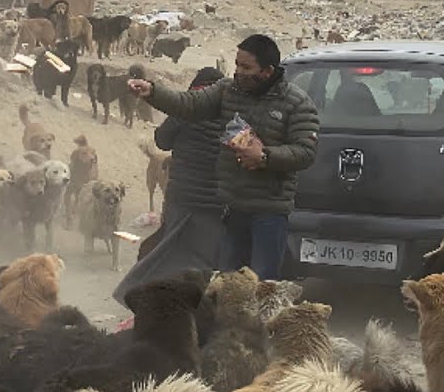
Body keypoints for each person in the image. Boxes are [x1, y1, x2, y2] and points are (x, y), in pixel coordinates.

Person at [128, 34, 320, 281]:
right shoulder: (228, 90)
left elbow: (305, 152)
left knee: (262, 285)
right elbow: (189, 104)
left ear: (268, 71)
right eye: (237, 64)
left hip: (269, 212)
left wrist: (264, 156)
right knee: (226, 284)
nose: (238, 72)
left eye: (246, 67)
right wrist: (152, 92)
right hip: (233, 208)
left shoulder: (296, 103)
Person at [111, 66, 227, 308]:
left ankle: (139, 294)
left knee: (167, 249)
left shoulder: (185, 110)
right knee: (206, 257)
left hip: (182, 196)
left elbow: (162, 140)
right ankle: (200, 306)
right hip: (215, 201)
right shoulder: (231, 115)